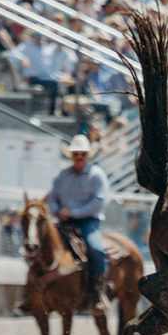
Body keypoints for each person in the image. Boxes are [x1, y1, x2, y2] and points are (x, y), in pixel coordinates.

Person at [48, 134, 110, 312]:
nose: (79, 157)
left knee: (95, 248)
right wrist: (57, 211)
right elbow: (52, 198)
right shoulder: (62, 175)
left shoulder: (97, 175)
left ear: (88, 155)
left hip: (88, 221)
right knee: (40, 243)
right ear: (71, 155)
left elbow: (98, 202)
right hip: (63, 221)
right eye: (76, 154)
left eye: (82, 154)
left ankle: (99, 288)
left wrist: (73, 212)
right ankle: (31, 291)